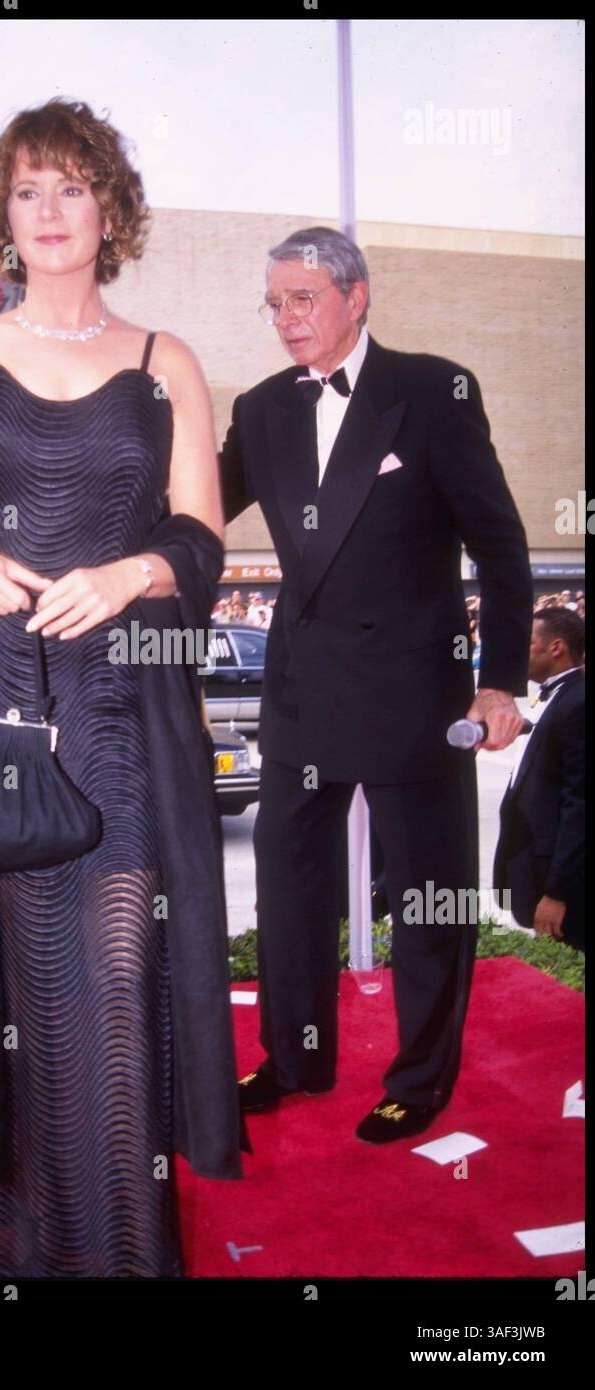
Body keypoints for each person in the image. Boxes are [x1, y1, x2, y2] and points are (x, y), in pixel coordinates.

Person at [0, 95, 243, 1279]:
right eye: (26, 189)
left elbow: (200, 537)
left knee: (111, 998)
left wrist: (134, 569)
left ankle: (114, 1258)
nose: (47, 211)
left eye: (71, 186)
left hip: (120, 726)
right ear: (2, 212)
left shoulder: (162, 359)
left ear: (108, 207)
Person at [220, 226, 533, 1144]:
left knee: (429, 898)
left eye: (303, 298)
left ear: (358, 297)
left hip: (416, 697)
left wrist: (500, 682)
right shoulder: (265, 405)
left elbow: (503, 548)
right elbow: (197, 509)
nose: (286, 320)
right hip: (302, 693)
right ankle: (294, 1058)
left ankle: (421, 1079)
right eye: (274, 304)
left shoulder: (434, 390)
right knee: (288, 886)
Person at [494, 607, 585, 951]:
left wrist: (557, 892)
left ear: (556, 648)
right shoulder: (553, 695)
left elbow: (579, 805)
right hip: (533, 866)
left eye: (529, 642)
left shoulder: (578, 703)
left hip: (561, 885)